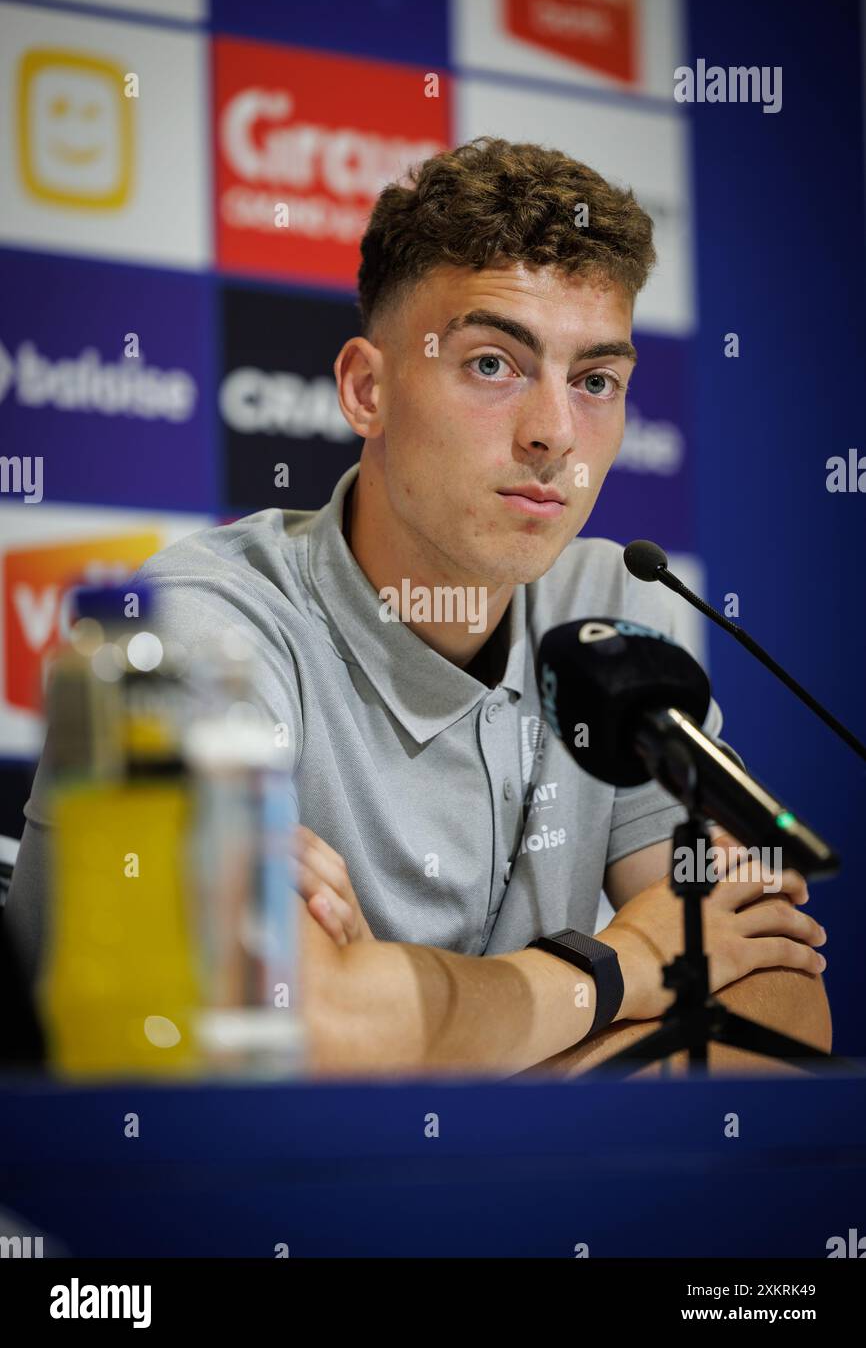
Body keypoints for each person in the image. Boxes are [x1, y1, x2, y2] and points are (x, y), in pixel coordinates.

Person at [6, 137, 830, 1076]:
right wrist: (625, 967)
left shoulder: (606, 614)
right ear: (367, 388)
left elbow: (779, 997)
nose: (555, 433)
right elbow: (295, 1027)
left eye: (596, 381)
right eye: (493, 365)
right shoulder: (195, 630)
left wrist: (421, 1036)